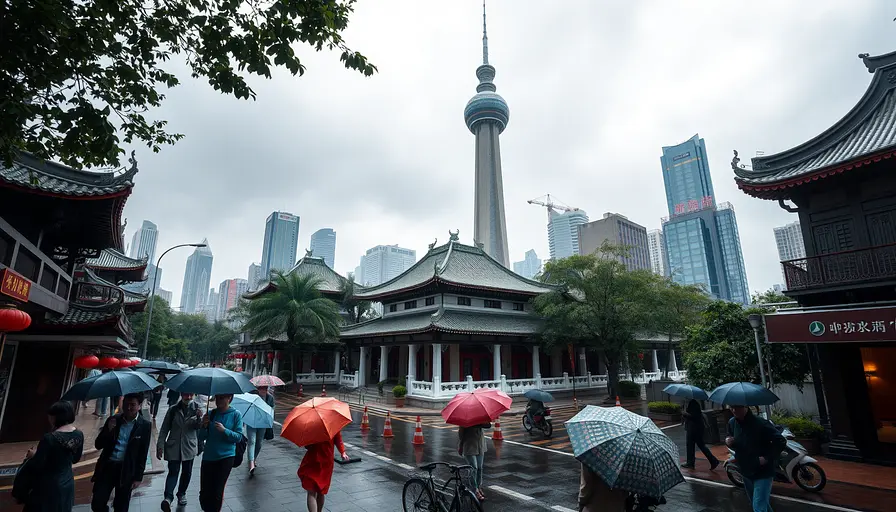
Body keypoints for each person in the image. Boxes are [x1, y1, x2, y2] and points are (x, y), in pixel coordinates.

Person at [12, 401, 84, 511]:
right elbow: (75, 459)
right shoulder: (79, 434)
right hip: (67, 482)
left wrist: (33, 455)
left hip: (48, 486)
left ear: (55, 417)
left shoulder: (49, 438)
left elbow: (38, 464)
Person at [91, 393, 152, 512]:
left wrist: (138, 477)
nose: (128, 408)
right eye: (126, 404)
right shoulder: (113, 420)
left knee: (121, 506)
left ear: (139, 406)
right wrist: (108, 430)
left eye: (132, 405)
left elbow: (143, 453)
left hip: (126, 470)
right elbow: (98, 445)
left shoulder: (145, 426)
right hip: (107, 467)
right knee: (97, 503)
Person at [726, 405, 786, 512]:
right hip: (745, 470)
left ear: (745, 406)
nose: (734, 410)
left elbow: (780, 441)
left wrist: (767, 458)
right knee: (761, 504)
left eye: (737, 407)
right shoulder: (732, 423)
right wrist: (729, 442)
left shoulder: (760, 423)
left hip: (763, 472)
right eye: (731, 407)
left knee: (758, 507)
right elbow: (734, 440)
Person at [157, 392, 202, 511]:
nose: (189, 397)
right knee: (173, 471)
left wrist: (199, 418)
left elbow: (199, 428)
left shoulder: (198, 409)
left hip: (189, 446)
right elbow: (164, 428)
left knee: (187, 472)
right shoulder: (173, 409)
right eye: (186, 395)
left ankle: (181, 493)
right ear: (182, 395)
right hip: (174, 446)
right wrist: (160, 445)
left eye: (191, 395)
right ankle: (168, 498)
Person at [198, 394, 243, 512]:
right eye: (217, 397)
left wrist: (225, 431)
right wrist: (203, 426)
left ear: (229, 398)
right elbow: (201, 437)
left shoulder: (236, 415)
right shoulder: (211, 414)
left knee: (217, 491)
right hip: (209, 456)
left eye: (222, 398)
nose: (218, 400)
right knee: (205, 491)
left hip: (226, 457)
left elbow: (238, 437)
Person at [299, 430, 349, 512]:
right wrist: (342, 452)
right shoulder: (332, 426)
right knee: (321, 491)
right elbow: (338, 439)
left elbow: (307, 446)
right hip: (326, 460)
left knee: (311, 492)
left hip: (313, 460)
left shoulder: (312, 428)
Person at [681, 399, 719, 470]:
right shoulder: (689, 403)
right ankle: (713, 461)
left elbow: (694, 416)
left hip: (694, 428)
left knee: (693, 445)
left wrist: (685, 414)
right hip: (693, 428)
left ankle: (691, 463)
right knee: (697, 445)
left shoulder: (693, 403)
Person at [246, 385, 276, 477]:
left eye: (265, 388)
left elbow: (272, 410)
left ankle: (254, 458)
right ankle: (251, 463)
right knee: (252, 441)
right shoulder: (252, 395)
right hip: (251, 421)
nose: (263, 390)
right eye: (261, 388)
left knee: (259, 442)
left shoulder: (270, 398)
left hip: (263, 422)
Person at [457, 422, 491, 501]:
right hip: (469, 446)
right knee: (474, 468)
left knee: (479, 468)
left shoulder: (481, 418)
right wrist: (460, 446)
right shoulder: (465, 420)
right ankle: (475, 490)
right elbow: (461, 434)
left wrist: (480, 423)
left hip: (480, 446)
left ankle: (479, 486)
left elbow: (488, 425)